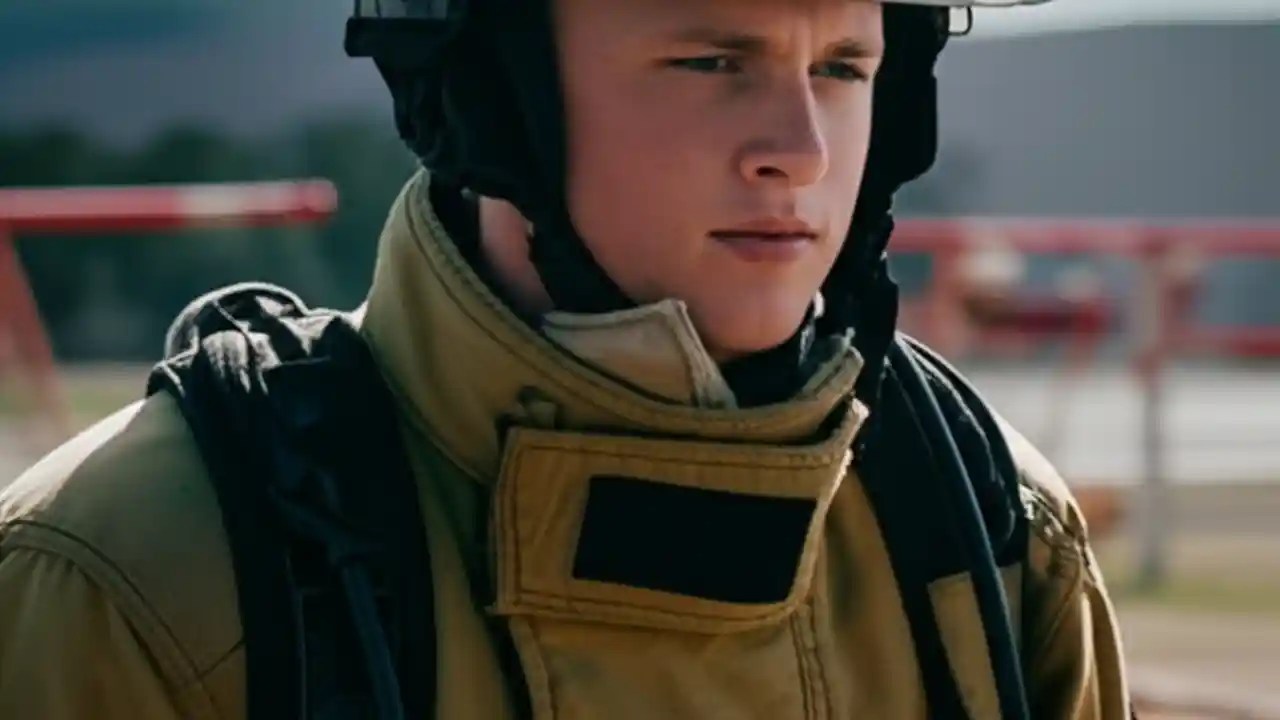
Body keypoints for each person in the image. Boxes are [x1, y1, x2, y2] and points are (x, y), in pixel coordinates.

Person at [0, 0, 1131, 718]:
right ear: (495, 93)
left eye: (843, 65)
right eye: (708, 58)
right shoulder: (136, 574)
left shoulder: (987, 535)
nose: (799, 147)